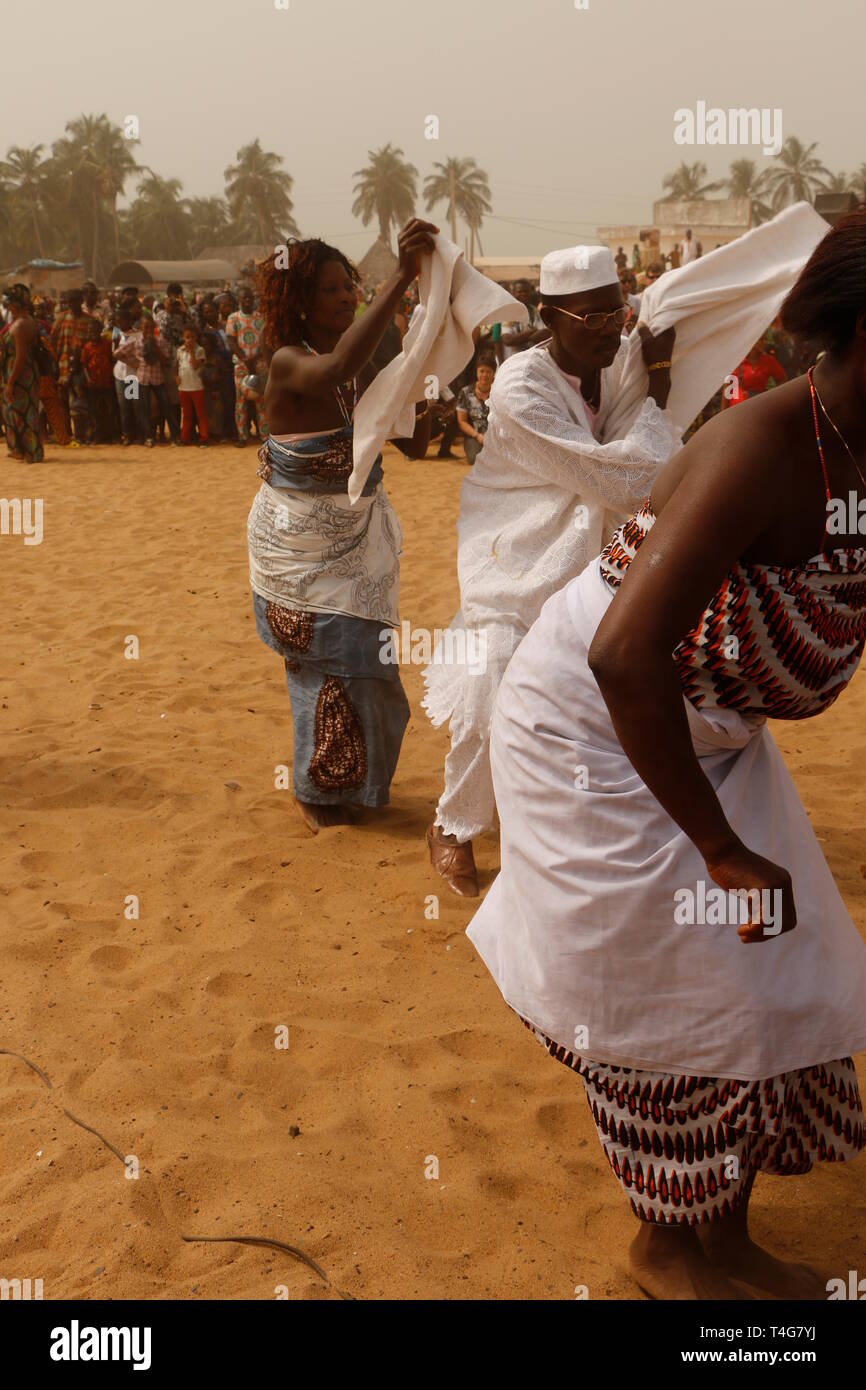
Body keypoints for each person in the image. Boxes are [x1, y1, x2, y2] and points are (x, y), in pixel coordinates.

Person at [465, 209, 866, 1301]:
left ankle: (713, 1240)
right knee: (688, 995)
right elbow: (624, 653)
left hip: (708, 735)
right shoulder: (762, 447)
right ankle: (672, 1251)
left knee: (786, 973)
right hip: (595, 728)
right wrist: (718, 849)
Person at [424, 246, 678, 896]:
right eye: (590, 316)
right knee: (492, 682)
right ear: (550, 316)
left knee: (594, 696)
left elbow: (625, 457)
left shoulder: (618, 361)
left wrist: (646, 389)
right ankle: (453, 826)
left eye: (615, 312)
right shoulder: (518, 386)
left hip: (588, 554)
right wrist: (662, 395)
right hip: (512, 553)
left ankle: (571, 828)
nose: (609, 328)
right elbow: (622, 476)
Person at [248, 221, 435, 833]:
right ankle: (315, 791)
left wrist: (423, 402)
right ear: (300, 302)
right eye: (330, 289)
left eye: (349, 285)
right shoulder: (289, 363)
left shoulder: (366, 363)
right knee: (325, 665)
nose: (345, 296)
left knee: (370, 671)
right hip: (296, 552)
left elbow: (414, 444)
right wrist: (402, 278)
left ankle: (346, 786)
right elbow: (334, 370)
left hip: (360, 551)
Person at [1, 284, 44, 462]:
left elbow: (20, 355)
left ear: (16, 305)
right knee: (19, 411)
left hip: (20, 374)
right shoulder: (28, 322)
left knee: (20, 412)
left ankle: (29, 451)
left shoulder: (19, 326)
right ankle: (22, 449)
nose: (8, 307)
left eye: (10, 304)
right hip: (25, 372)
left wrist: (11, 381)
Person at [123, 314, 179, 446]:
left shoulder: (160, 341)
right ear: (141, 327)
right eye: (145, 327)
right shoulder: (135, 341)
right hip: (141, 378)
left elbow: (166, 360)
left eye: (150, 326)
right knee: (143, 408)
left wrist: (155, 347)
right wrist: (133, 363)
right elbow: (118, 353)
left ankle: (175, 436)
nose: (148, 329)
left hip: (157, 378)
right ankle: (148, 437)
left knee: (166, 406)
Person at [226, 286, 266, 445]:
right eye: (244, 298)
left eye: (250, 298)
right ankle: (242, 436)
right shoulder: (233, 318)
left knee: (261, 403)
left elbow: (266, 340)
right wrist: (245, 358)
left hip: (259, 365)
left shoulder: (261, 318)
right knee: (241, 403)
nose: (248, 301)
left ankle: (264, 436)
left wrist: (255, 358)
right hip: (241, 366)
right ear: (239, 300)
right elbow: (231, 340)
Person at [52, 289, 92, 432]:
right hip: (62, 365)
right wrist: (54, 363)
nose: (73, 304)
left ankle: (81, 432)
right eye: (70, 301)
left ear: (81, 301)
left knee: (79, 401)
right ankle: (66, 432)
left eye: (76, 301)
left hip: (81, 368)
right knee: (62, 401)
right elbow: (53, 340)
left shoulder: (89, 320)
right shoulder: (61, 319)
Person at [80, 316, 118, 442]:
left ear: (100, 330)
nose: (93, 333)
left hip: (107, 383)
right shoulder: (87, 347)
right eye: (90, 331)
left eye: (95, 330)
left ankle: (111, 435)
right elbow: (84, 364)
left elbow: (112, 360)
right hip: (93, 384)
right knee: (94, 411)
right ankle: (96, 435)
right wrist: (88, 379)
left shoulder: (107, 344)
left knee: (110, 409)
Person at [455, 354, 496, 463]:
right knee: (475, 459)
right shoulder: (465, 392)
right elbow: (461, 421)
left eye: (488, 371)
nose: (485, 375)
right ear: (476, 372)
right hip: (475, 436)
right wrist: (477, 436)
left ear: (494, 373)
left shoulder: (499, 391)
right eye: (482, 371)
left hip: (496, 436)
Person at [494, 280, 546, 363]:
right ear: (513, 293)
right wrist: (532, 332)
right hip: (511, 362)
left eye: (526, 291)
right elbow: (508, 340)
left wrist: (518, 338)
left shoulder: (535, 312)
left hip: (532, 362)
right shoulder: (508, 312)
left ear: (531, 293)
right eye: (519, 291)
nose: (523, 294)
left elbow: (543, 335)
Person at [175, 324, 209, 446]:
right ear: (183, 338)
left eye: (192, 337)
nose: (189, 340)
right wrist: (176, 377)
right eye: (187, 337)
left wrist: (191, 352)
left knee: (200, 414)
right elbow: (176, 365)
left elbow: (195, 366)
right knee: (187, 414)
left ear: (196, 339)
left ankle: (204, 438)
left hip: (196, 387)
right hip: (183, 387)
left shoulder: (199, 350)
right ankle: (185, 438)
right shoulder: (179, 350)